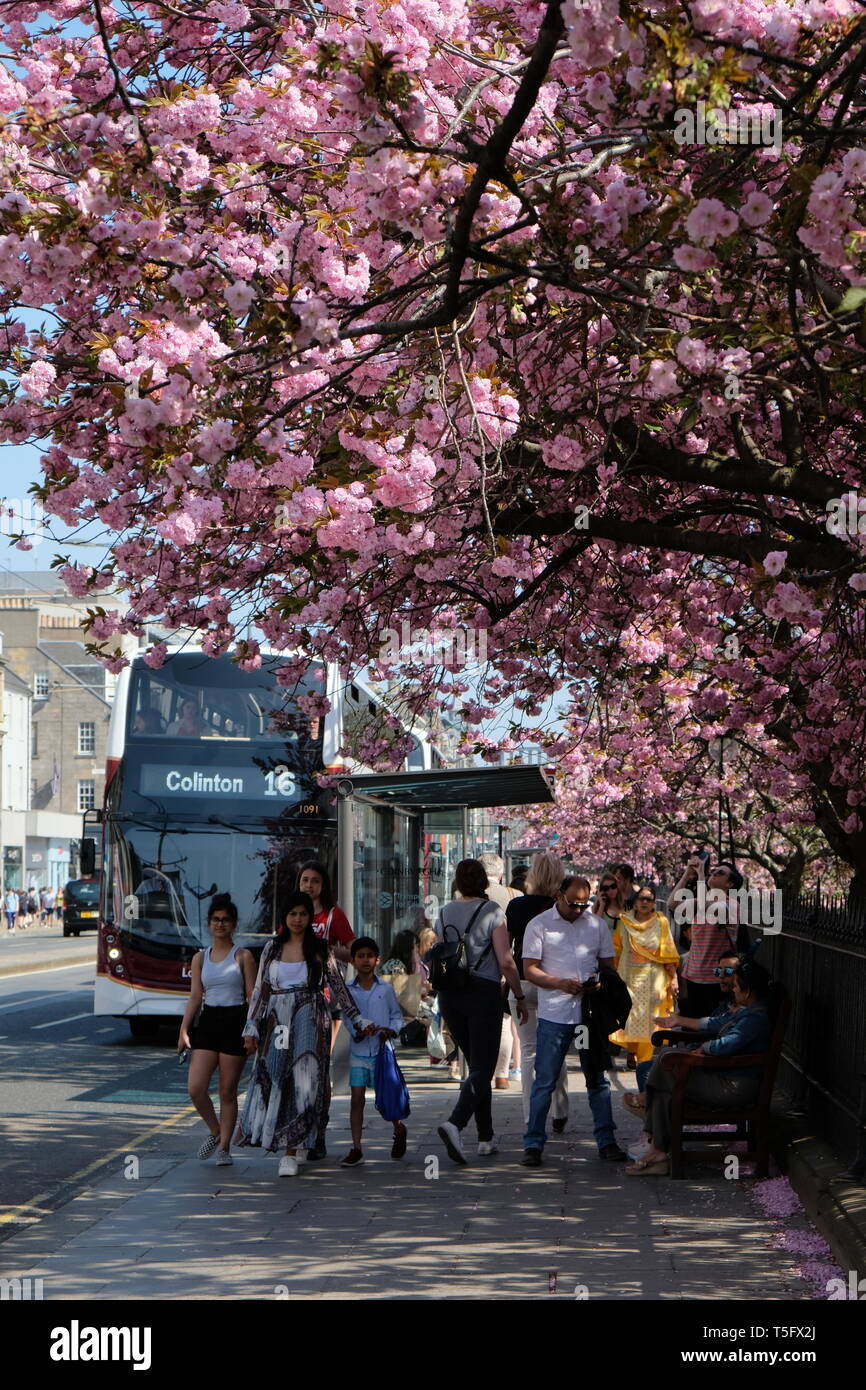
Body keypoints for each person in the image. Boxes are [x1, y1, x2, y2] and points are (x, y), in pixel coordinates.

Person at [235, 891, 365, 1176]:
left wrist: (359, 1019)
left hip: (311, 1018)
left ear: (309, 918)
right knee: (277, 1075)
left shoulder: (320, 948)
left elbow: (338, 987)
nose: (297, 919)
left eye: (303, 914)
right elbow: (260, 991)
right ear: (285, 917)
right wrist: (251, 1027)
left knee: (305, 1080)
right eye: (292, 914)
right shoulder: (271, 948)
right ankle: (286, 1138)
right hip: (277, 1022)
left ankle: (291, 1149)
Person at [626, 957, 775, 1175]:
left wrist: (704, 1048)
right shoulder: (745, 1011)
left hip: (735, 1087)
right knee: (666, 1073)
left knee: (667, 1065)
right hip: (726, 1078)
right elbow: (715, 1025)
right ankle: (658, 1150)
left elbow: (726, 1046)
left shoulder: (755, 1018)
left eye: (735, 986)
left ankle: (652, 1126)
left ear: (749, 991)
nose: (732, 989)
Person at [522, 875, 628, 1166]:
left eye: (585, 904)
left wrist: (599, 983)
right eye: (574, 904)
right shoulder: (540, 924)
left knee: (597, 1078)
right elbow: (529, 969)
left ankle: (606, 1140)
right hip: (555, 1013)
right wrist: (558, 982)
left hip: (589, 1014)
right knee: (545, 1079)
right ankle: (533, 1143)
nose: (579, 909)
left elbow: (609, 968)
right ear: (559, 895)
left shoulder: (595, 925)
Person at [434, 858, 528, 1165]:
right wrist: (518, 993)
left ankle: (486, 1138)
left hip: (450, 994)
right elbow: (506, 960)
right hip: (483, 992)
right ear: (485, 883)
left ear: (458, 882)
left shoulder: (445, 911)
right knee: (483, 1068)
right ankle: (455, 1123)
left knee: (476, 1064)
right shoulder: (492, 912)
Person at [178, 895, 257, 1165]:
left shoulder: (243, 956)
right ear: (209, 924)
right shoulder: (200, 958)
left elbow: (251, 997)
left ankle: (224, 1147)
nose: (220, 924)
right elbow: (195, 997)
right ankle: (215, 1130)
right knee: (196, 1088)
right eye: (215, 920)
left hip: (236, 1021)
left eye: (225, 920)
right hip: (209, 1022)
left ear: (233, 924)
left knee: (227, 1090)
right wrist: (184, 1030)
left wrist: (253, 1030)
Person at [505, 851, 570, 1129]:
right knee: (556, 1048)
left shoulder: (517, 906)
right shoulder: (564, 908)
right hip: (556, 984)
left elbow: (506, 951)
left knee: (529, 1051)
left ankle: (532, 1117)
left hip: (523, 983)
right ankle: (559, 1110)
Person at [340, 937, 407, 1167]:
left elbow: (397, 1016)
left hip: (381, 1052)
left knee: (387, 1098)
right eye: (361, 956)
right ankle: (356, 1147)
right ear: (353, 960)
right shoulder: (348, 990)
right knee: (356, 1099)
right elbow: (347, 1019)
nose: (365, 960)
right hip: (359, 1051)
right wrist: (358, 1030)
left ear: (377, 960)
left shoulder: (385, 988)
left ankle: (398, 1129)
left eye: (370, 956)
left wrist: (391, 1030)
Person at [610, 884, 679, 1094]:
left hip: (654, 980)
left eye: (649, 899)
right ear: (635, 900)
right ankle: (633, 1053)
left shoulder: (661, 922)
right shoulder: (625, 922)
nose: (645, 902)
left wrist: (673, 977)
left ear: (654, 901)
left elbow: (667, 951)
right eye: (641, 898)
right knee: (629, 1018)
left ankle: (644, 1065)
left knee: (648, 1023)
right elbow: (617, 950)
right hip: (628, 978)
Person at [667, 857, 742, 1019]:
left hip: (717, 979)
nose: (714, 873)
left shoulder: (731, 906)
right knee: (694, 1025)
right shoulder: (700, 902)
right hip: (693, 974)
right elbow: (672, 904)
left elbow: (707, 907)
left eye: (720, 872)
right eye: (713, 870)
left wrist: (701, 874)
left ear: (729, 884)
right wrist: (687, 874)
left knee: (711, 1027)